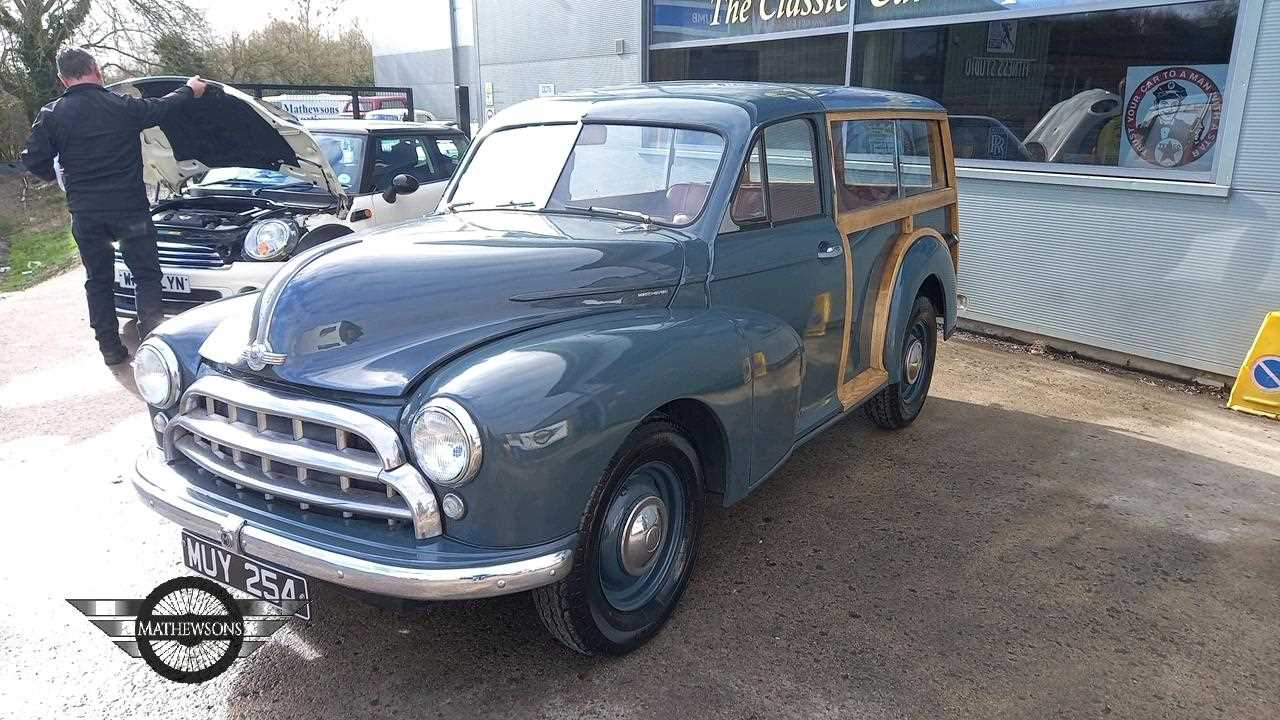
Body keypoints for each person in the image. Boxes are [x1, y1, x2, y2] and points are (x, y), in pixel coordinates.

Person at [20, 47, 207, 365]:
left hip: (87, 213)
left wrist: (59, 177)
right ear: (97, 69)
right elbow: (163, 106)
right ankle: (151, 343)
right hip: (129, 210)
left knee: (98, 278)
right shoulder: (121, 106)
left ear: (62, 78)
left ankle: (109, 348)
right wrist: (190, 88)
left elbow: (33, 160)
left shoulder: (51, 114)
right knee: (146, 275)